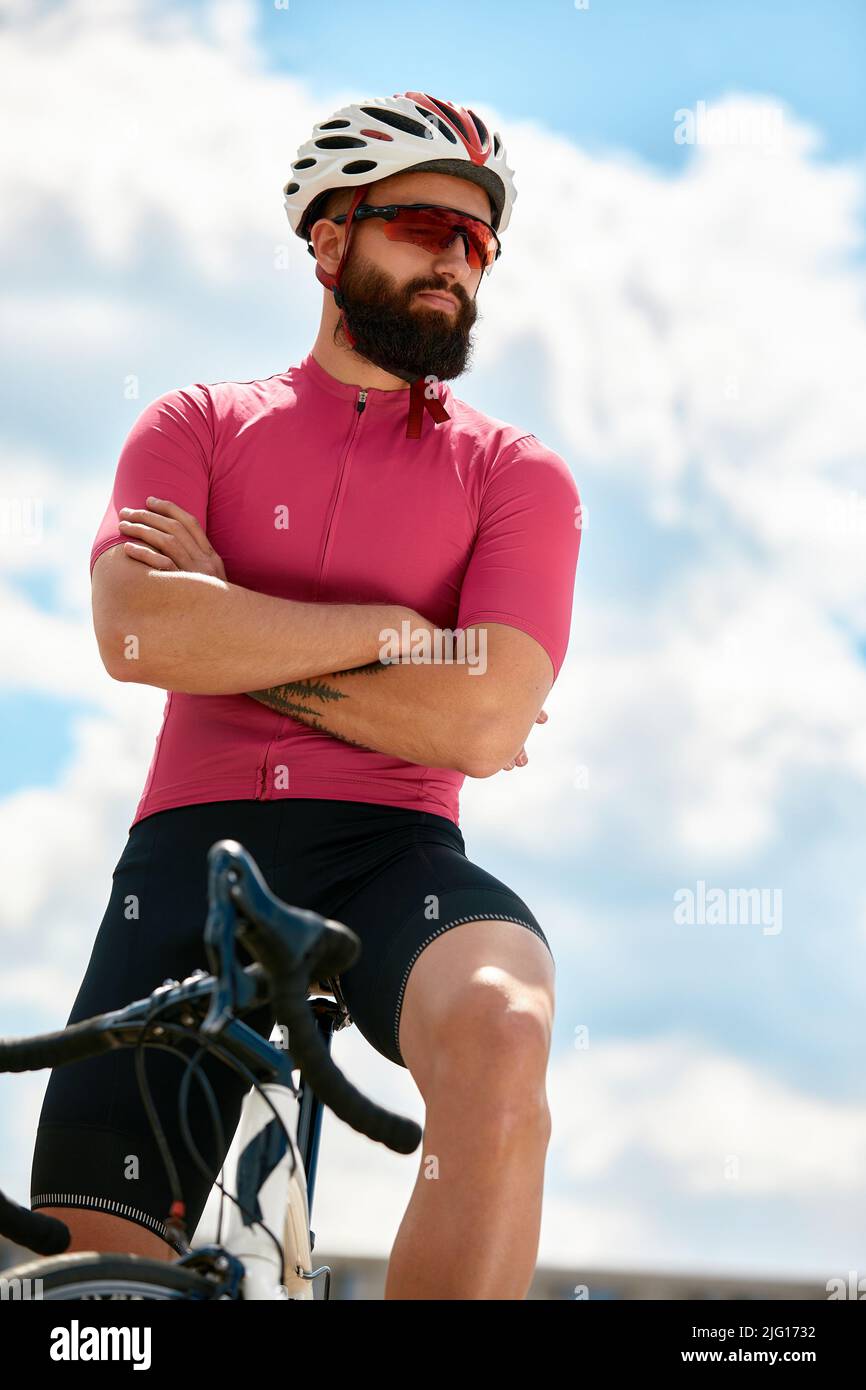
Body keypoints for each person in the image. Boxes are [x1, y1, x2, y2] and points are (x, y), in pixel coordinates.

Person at [30, 92, 581, 1299]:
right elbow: (136, 632)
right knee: (82, 1303)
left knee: (502, 1022)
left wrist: (237, 623)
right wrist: (397, 639)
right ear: (328, 239)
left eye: (477, 241)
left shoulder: (516, 475)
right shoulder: (195, 426)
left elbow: (483, 717)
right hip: (190, 860)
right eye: (425, 223)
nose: (454, 258)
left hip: (397, 854)